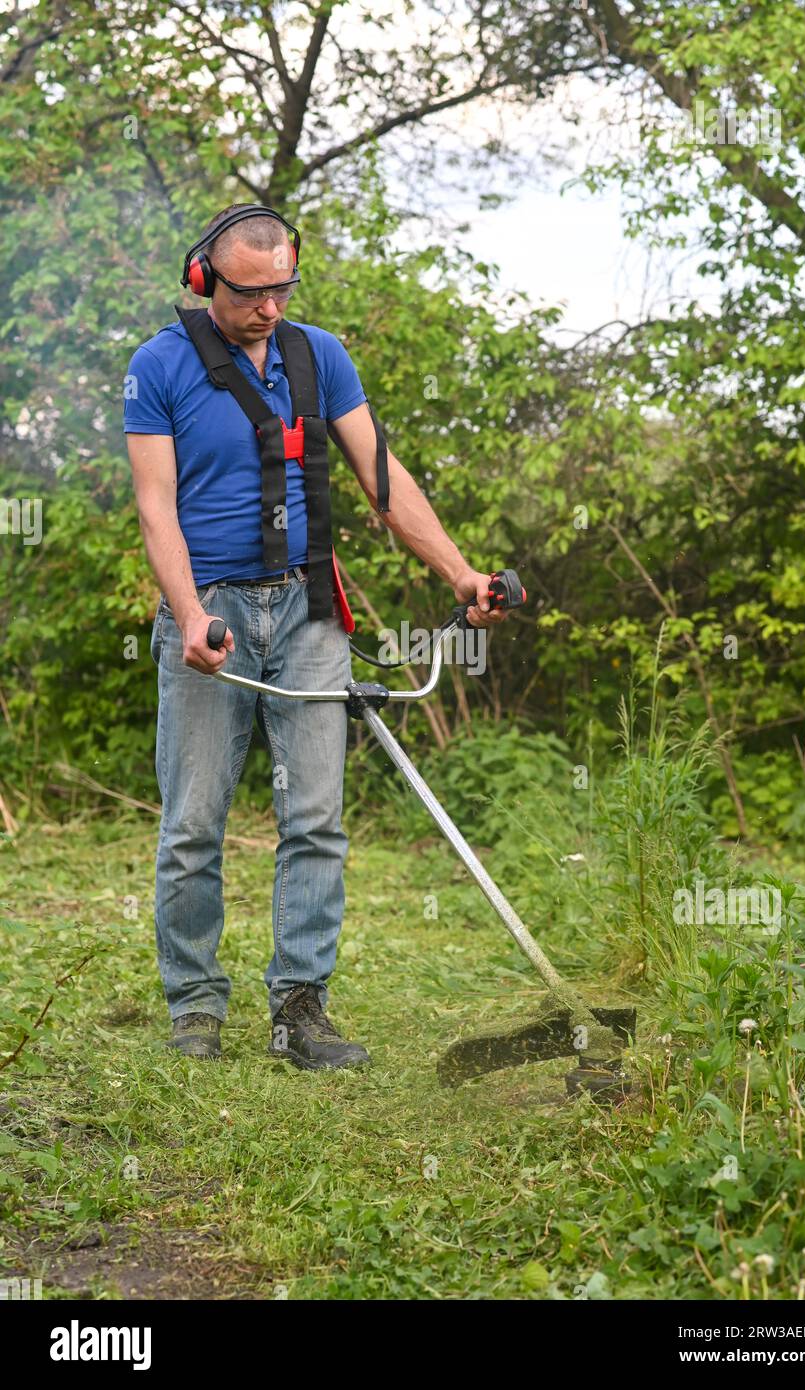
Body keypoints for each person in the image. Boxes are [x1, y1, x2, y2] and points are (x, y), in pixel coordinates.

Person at [124, 203, 510, 1067]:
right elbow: (156, 506)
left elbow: (384, 480)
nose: (269, 309)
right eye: (249, 294)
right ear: (203, 279)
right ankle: (195, 1007)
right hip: (211, 609)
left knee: (316, 818)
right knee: (193, 821)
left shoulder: (317, 355)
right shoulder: (159, 366)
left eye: (282, 290)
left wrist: (460, 573)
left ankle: (299, 1010)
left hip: (309, 610)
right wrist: (189, 615)